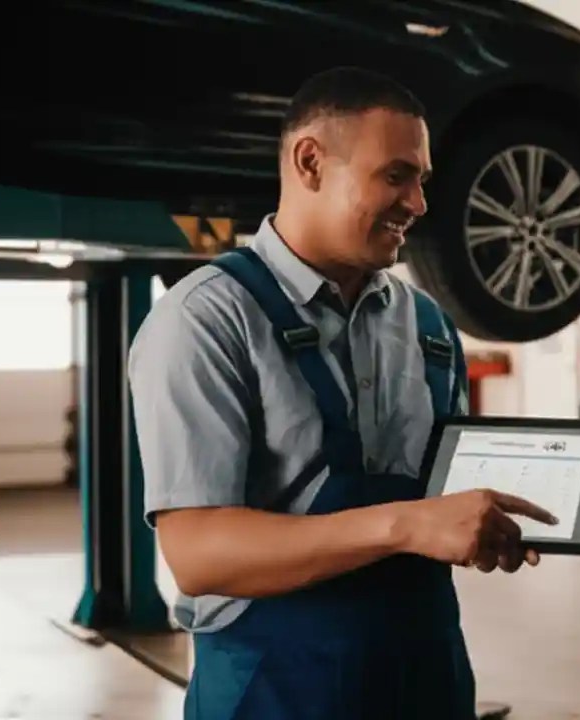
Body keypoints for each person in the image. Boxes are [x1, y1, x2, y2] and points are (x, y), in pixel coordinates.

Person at [128, 66, 556, 720]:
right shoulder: (207, 321)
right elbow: (197, 553)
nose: (419, 204)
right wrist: (406, 525)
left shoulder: (430, 327)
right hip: (275, 696)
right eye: (396, 176)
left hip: (429, 683)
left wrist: (475, 527)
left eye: (422, 180)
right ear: (310, 163)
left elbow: (434, 507)